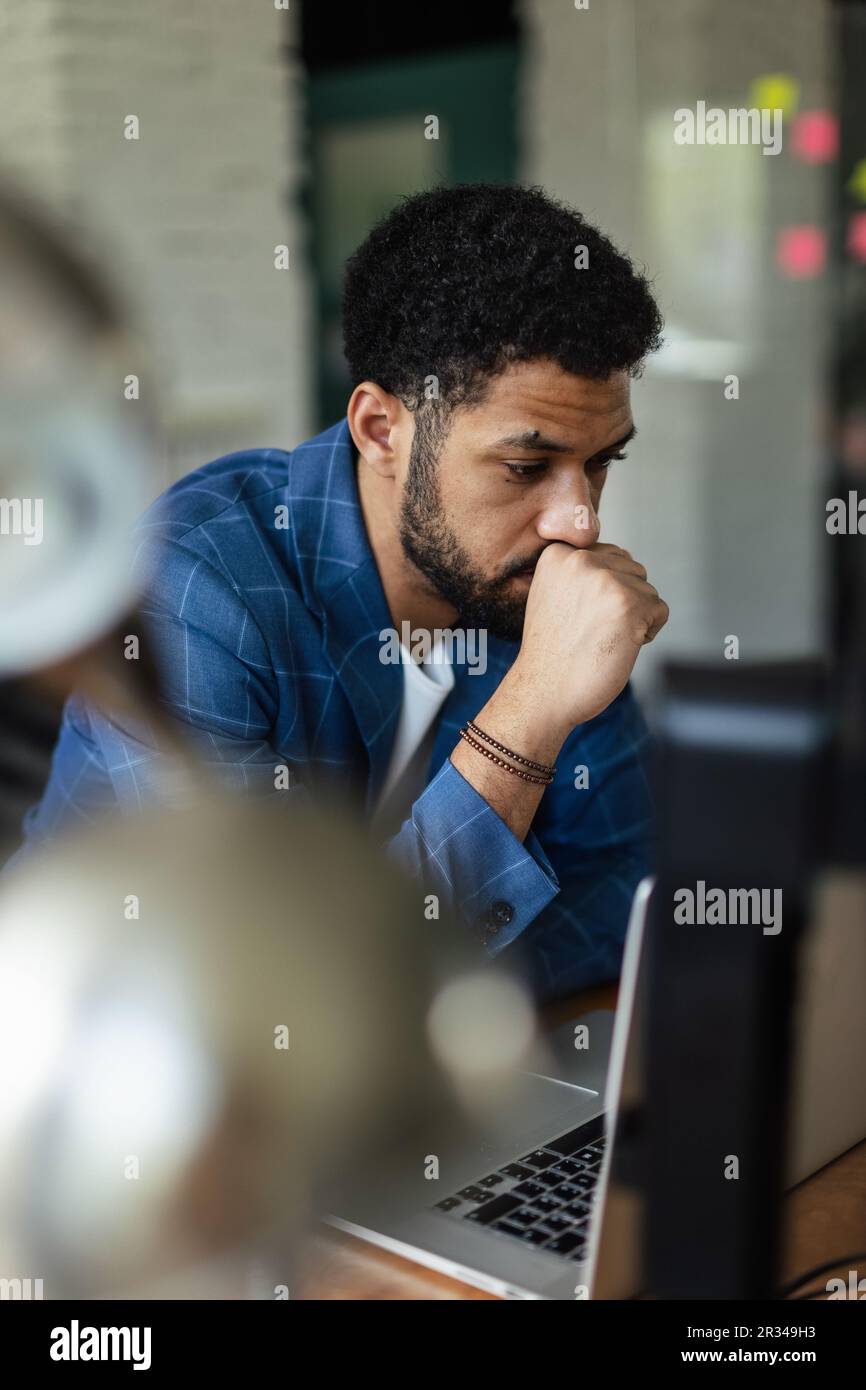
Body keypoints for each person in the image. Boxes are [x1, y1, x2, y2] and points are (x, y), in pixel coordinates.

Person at [15, 183, 669, 1002]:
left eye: (601, 461)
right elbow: (278, 987)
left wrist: (436, 1000)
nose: (577, 521)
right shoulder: (196, 587)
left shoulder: (535, 582)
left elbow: (626, 890)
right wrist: (530, 711)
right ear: (380, 430)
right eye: (525, 468)